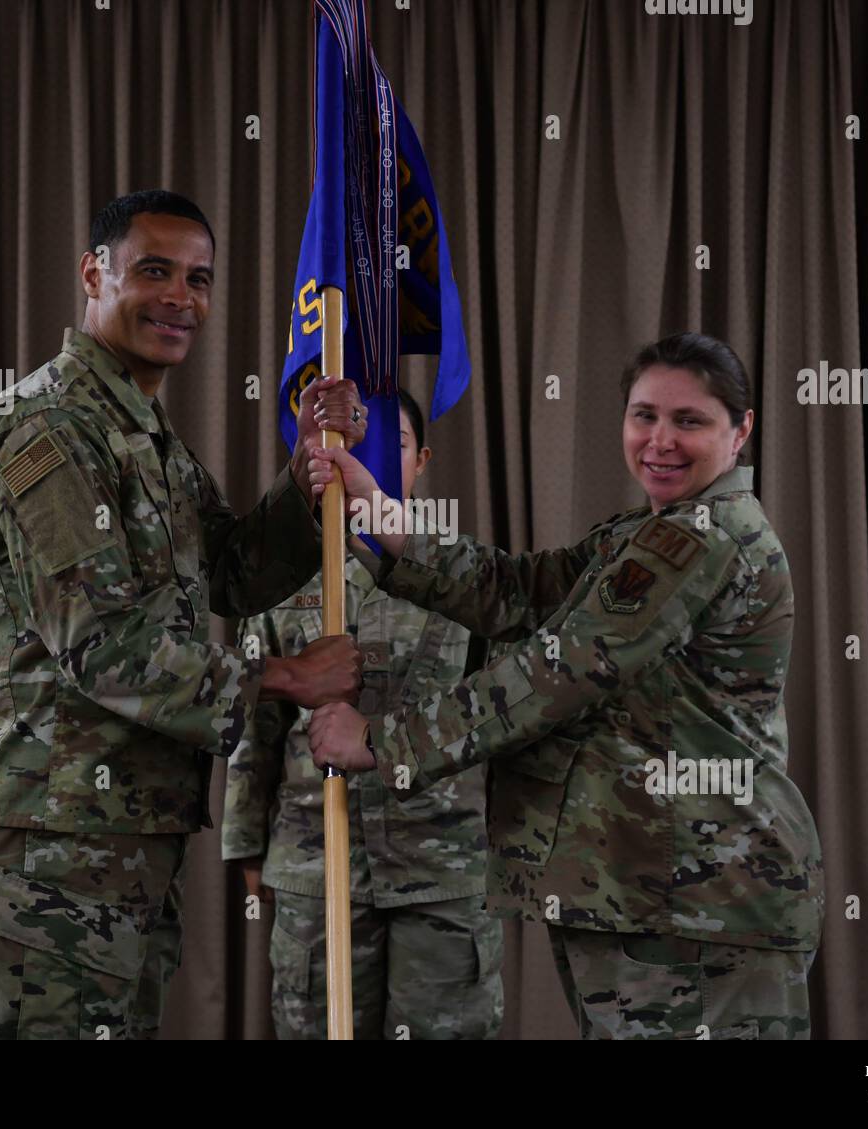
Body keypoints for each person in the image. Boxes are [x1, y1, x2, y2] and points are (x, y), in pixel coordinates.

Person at [307, 332, 824, 1040]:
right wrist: (382, 513)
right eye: (644, 415)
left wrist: (380, 740)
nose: (660, 440)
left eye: (689, 420)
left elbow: (556, 672)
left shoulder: (699, 539)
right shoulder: (646, 532)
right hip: (648, 891)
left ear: (741, 430)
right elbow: (524, 590)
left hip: (697, 902)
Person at [0, 189, 367, 1040]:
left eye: (200, 280)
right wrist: (283, 677)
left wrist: (305, 476)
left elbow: (232, 572)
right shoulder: (53, 426)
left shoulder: (141, 431)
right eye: (155, 271)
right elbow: (98, 645)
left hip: (123, 825)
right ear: (93, 273)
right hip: (53, 832)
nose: (182, 298)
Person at [222, 389, 503, 1040]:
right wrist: (248, 848)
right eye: (348, 440)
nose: (363, 457)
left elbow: (503, 711)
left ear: (421, 458)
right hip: (315, 863)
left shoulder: (464, 577)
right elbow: (253, 727)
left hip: (442, 867)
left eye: (389, 444)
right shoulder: (282, 578)